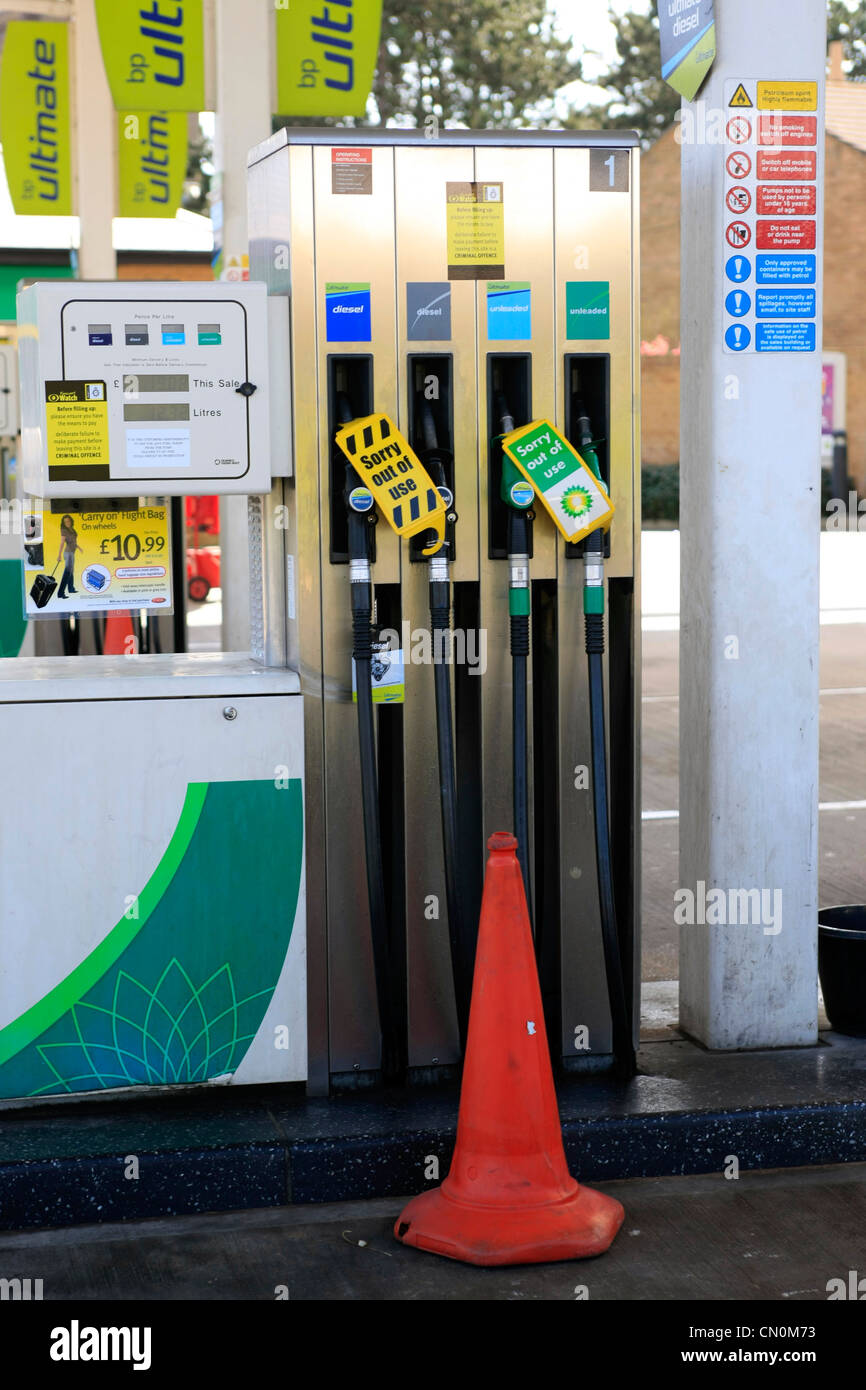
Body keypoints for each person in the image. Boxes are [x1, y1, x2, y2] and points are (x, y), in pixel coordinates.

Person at [56, 515, 82, 598]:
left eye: (68, 521)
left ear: (71, 521)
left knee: (71, 571)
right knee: (67, 572)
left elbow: (73, 541)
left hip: (72, 553)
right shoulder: (64, 530)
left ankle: (71, 588)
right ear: (63, 523)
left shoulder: (72, 529)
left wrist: (78, 547)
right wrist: (59, 555)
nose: (67, 523)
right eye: (65, 522)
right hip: (68, 553)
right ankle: (60, 593)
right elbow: (62, 543)